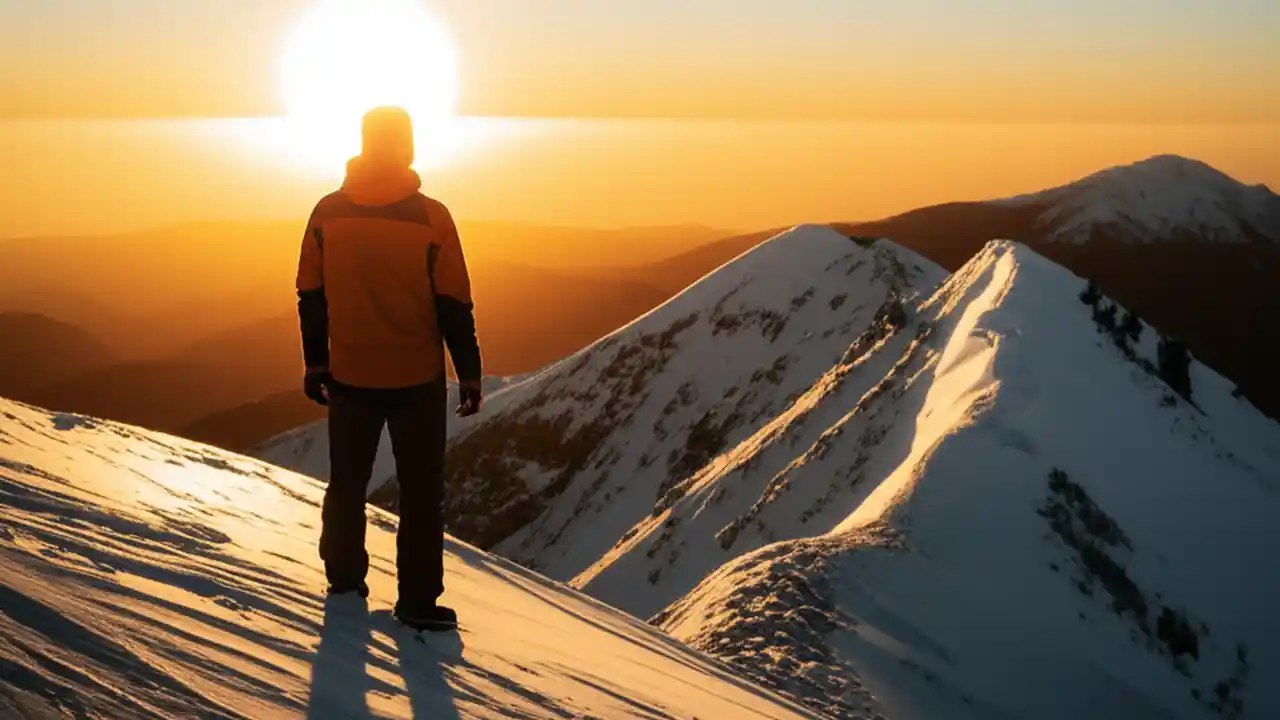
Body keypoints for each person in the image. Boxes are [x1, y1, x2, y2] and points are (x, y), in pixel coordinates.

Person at [295, 106, 482, 630]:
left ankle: (344, 580)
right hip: (415, 379)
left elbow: (310, 293)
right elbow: (453, 301)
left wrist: (316, 363)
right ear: (406, 147)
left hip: (350, 375)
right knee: (422, 494)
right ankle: (418, 602)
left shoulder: (326, 213)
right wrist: (468, 372)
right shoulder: (431, 217)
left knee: (347, 484)